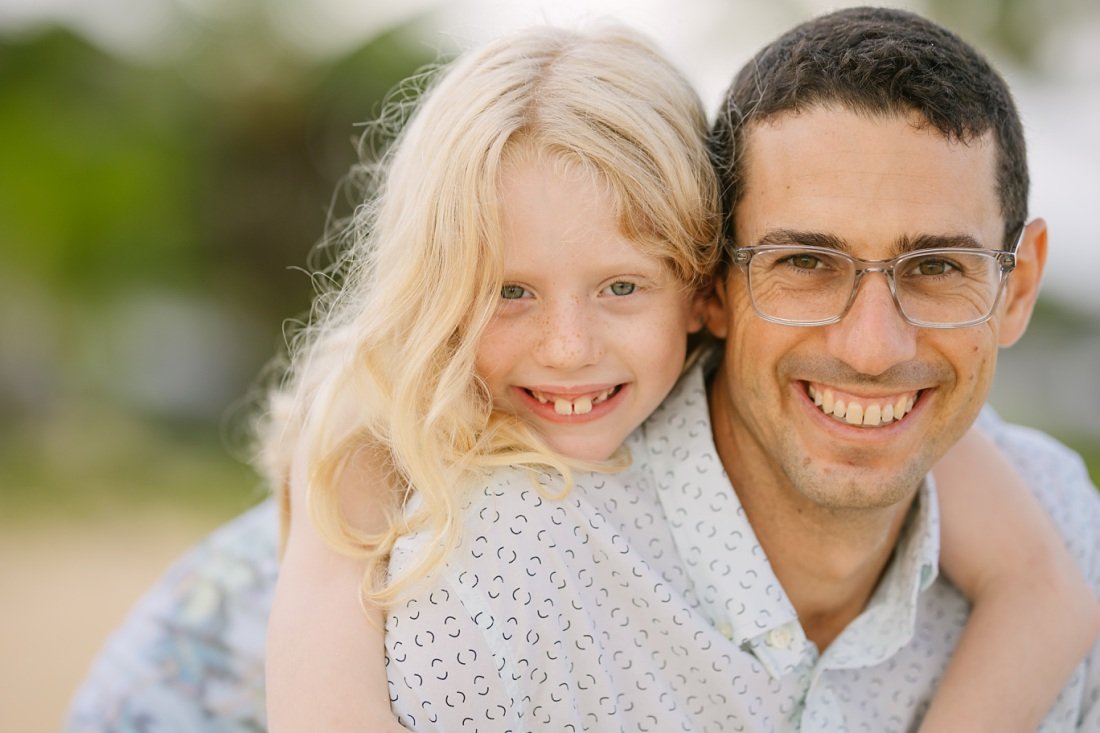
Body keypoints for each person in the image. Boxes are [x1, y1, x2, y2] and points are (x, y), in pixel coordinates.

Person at [65, 11, 1100, 733]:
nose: (566, 347)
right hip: (197, 692)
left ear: (698, 282)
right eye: (508, 290)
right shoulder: (368, 436)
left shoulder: (824, 375)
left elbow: (1040, 587)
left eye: (619, 289)